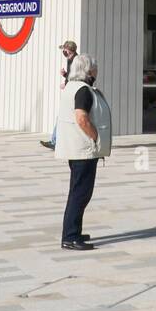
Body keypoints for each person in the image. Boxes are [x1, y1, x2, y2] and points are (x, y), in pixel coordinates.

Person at [55, 54, 102, 250]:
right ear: (89, 71)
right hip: (83, 149)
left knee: (78, 191)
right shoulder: (83, 90)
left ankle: (74, 230)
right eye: (95, 68)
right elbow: (82, 118)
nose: (97, 72)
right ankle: (70, 236)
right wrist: (95, 137)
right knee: (81, 193)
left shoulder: (71, 87)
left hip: (75, 147)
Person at [41, 40, 78, 150]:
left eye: (64, 50)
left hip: (73, 93)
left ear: (69, 50)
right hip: (71, 92)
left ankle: (56, 141)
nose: (63, 52)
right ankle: (57, 141)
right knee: (65, 117)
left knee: (64, 117)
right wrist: (65, 75)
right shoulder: (70, 59)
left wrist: (66, 84)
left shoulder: (76, 61)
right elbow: (72, 76)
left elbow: (77, 77)